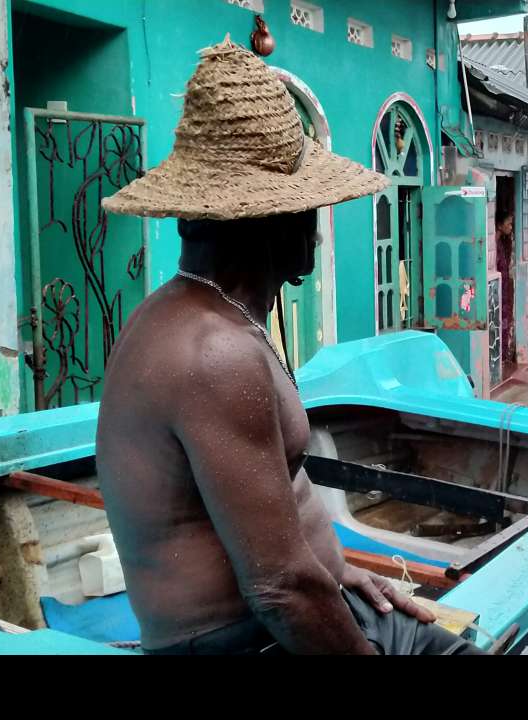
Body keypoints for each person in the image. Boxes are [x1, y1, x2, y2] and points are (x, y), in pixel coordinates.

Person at [95, 38, 484, 655]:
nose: (320, 231)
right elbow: (279, 589)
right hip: (245, 641)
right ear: (272, 222)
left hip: (304, 604)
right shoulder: (213, 354)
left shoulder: (207, 317)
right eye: (310, 210)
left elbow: (285, 535)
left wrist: (342, 573)